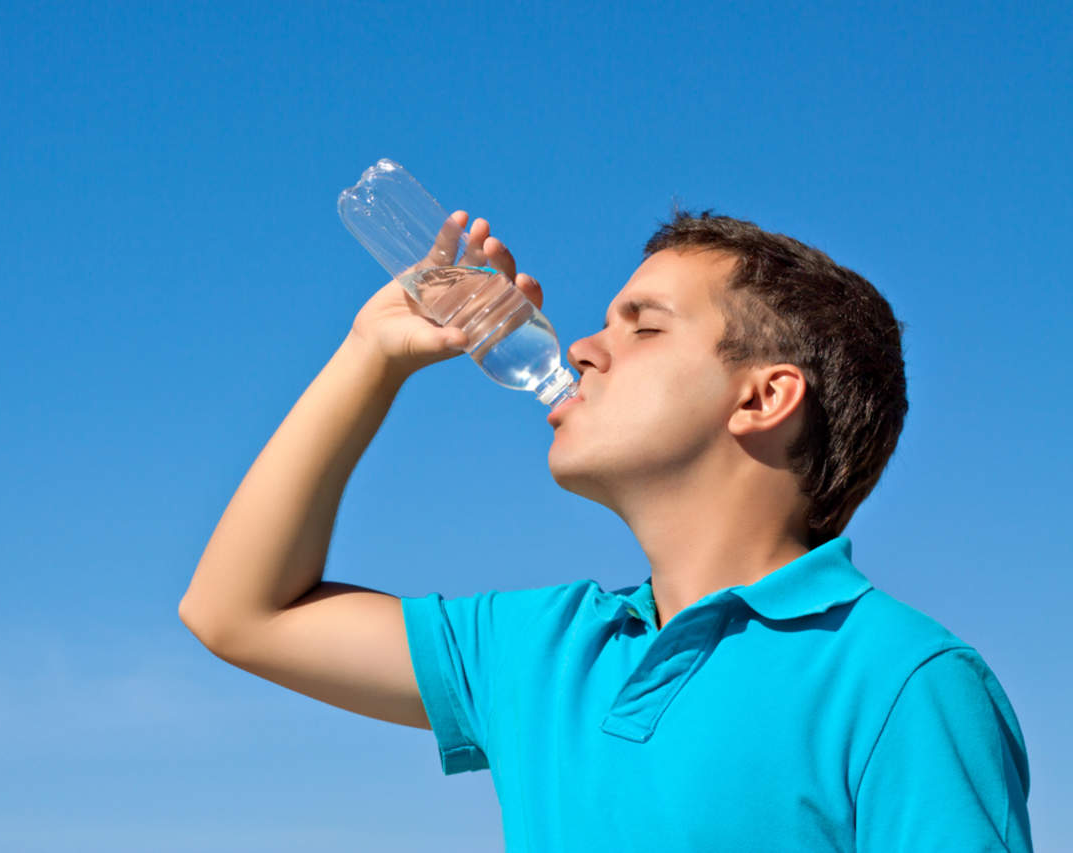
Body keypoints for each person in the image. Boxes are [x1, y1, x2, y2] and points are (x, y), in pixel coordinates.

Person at [178, 209, 1033, 851]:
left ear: (762, 398)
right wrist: (371, 354)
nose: (582, 346)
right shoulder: (545, 650)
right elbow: (239, 613)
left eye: (645, 325)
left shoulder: (900, 679)